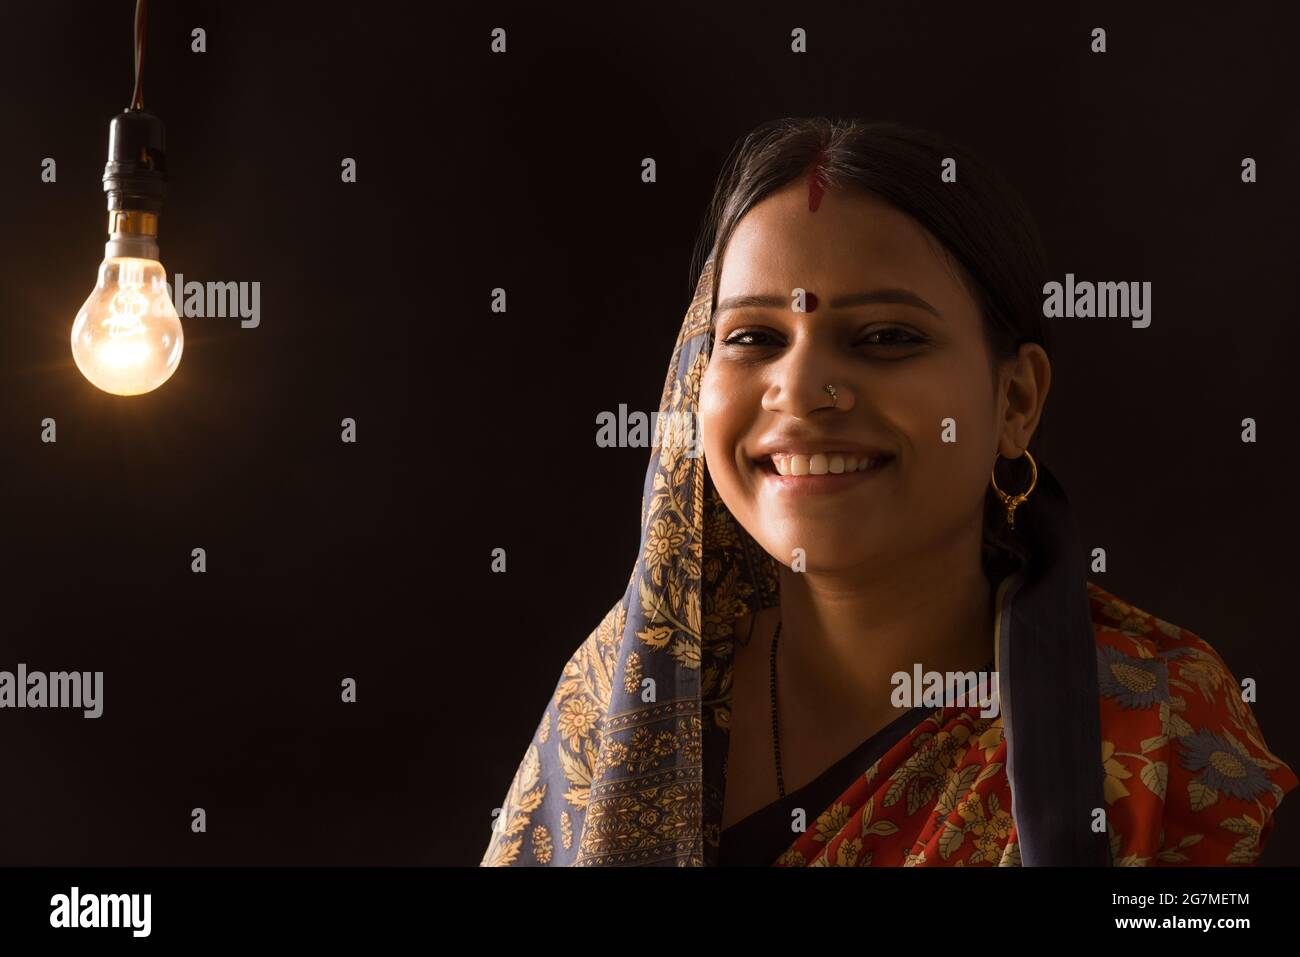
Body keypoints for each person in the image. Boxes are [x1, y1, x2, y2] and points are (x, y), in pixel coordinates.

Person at [480, 117, 1297, 867]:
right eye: (754, 337)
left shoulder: (1155, 723)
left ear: (1015, 401)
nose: (799, 390)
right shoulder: (626, 690)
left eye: (885, 337)